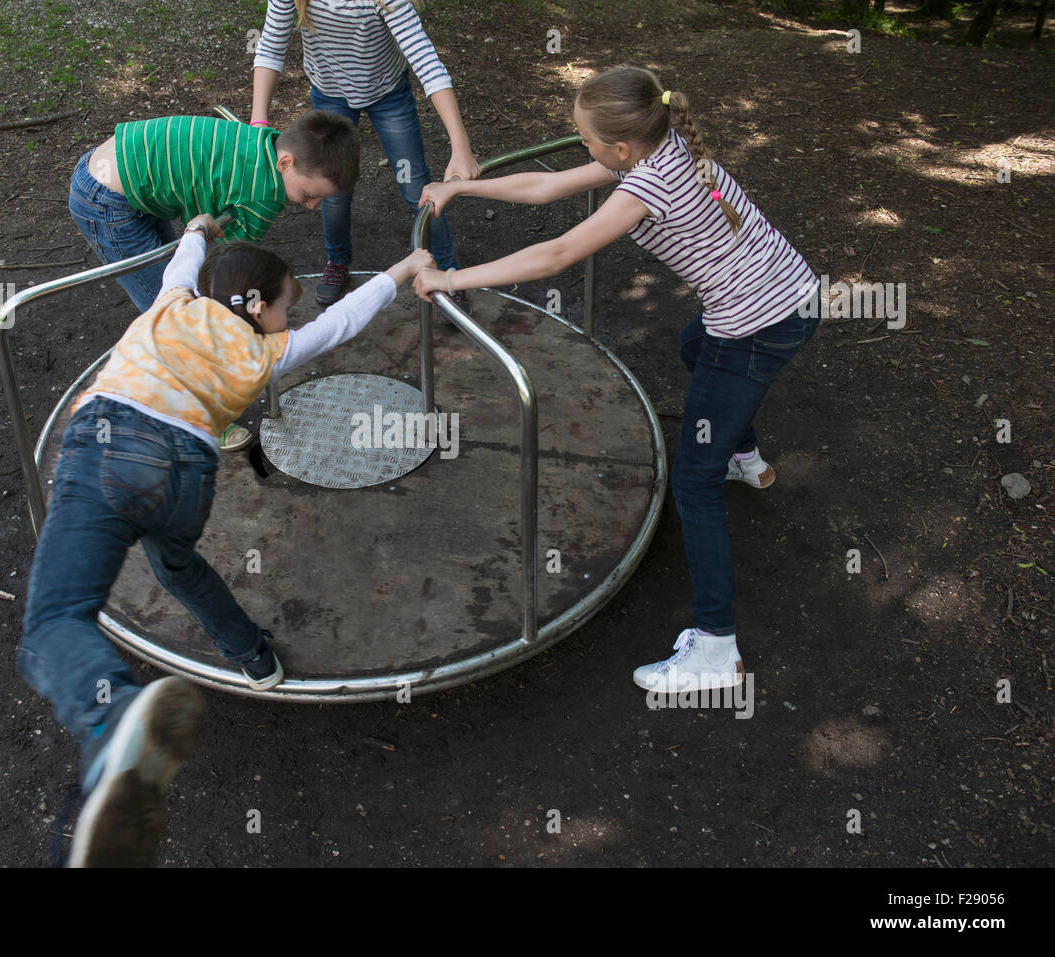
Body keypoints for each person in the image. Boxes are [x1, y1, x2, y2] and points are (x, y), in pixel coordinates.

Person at [18, 213, 435, 865]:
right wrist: (402, 269)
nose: (289, 323)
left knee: (52, 622)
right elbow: (345, 321)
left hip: (111, 442)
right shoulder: (265, 352)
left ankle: (111, 717)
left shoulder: (175, 301)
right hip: (185, 473)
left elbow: (183, 263)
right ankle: (253, 656)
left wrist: (196, 229)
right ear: (260, 307)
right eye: (286, 310)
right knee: (177, 565)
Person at [413, 66, 819, 695]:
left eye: (587, 139)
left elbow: (556, 253)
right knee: (694, 346)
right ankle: (747, 456)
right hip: (787, 294)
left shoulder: (646, 186)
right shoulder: (663, 142)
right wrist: (464, 190)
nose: (584, 148)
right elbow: (547, 190)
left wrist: (449, 279)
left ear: (621, 148)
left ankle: (716, 650)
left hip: (757, 325)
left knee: (693, 483)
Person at [70, 110, 359, 451]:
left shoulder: (264, 144)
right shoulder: (261, 196)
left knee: (179, 285)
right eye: (310, 194)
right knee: (171, 317)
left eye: (321, 200)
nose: (311, 206)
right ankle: (196, 415)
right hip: (108, 203)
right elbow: (226, 270)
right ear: (285, 163)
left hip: (112, 173)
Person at [250, 0, 479, 307]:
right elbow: (270, 47)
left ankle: (449, 274)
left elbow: (426, 61)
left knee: (415, 187)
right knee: (331, 189)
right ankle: (337, 263)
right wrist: (258, 124)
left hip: (388, 94)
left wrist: (460, 146)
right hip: (330, 94)